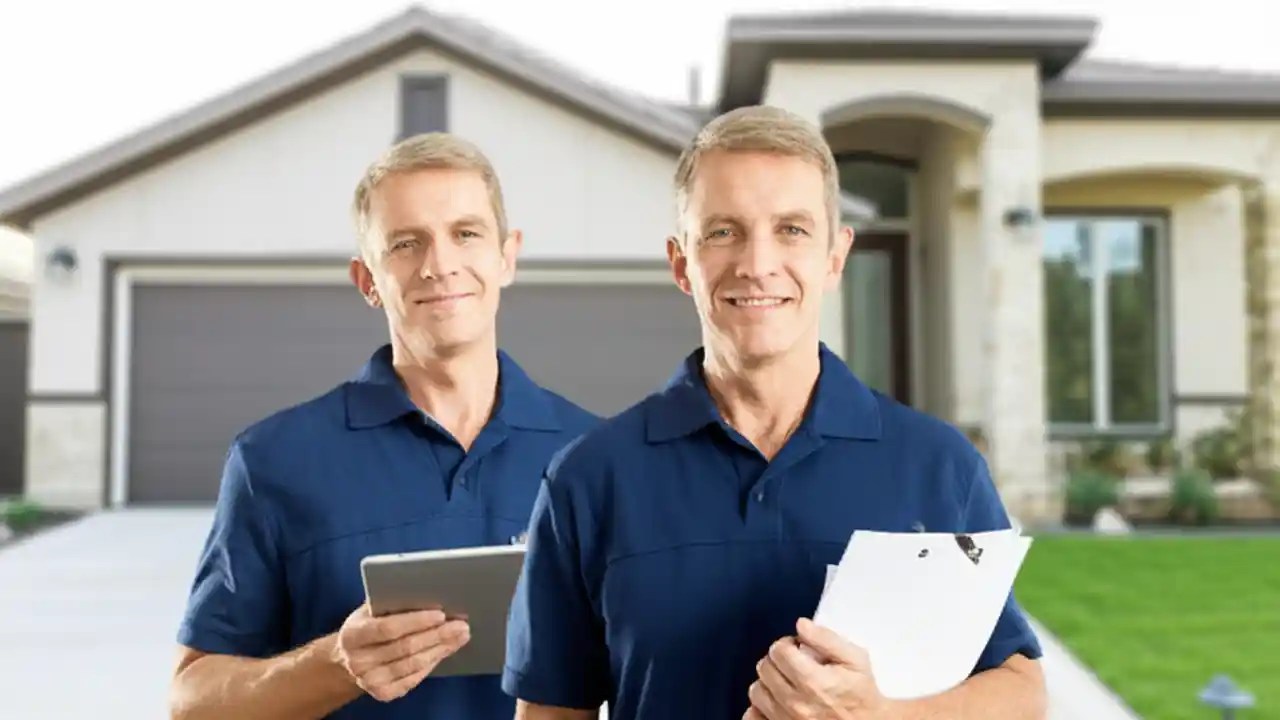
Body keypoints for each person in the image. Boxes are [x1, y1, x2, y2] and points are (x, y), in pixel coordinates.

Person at [503, 106, 1047, 720]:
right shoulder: (588, 478)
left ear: (835, 257)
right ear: (681, 261)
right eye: (723, 231)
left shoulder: (939, 466)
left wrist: (886, 716)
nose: (757, 263)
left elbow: (1021, 691)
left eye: (791, 229)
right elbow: (550, 712)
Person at [169, 133, 597, 720]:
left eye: (465, 233)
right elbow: (192, 702)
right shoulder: (274, 460)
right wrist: (337, 664)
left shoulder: (596, 458)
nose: (439, 264)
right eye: (405, 243)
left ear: (507, 256)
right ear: (367, 280)